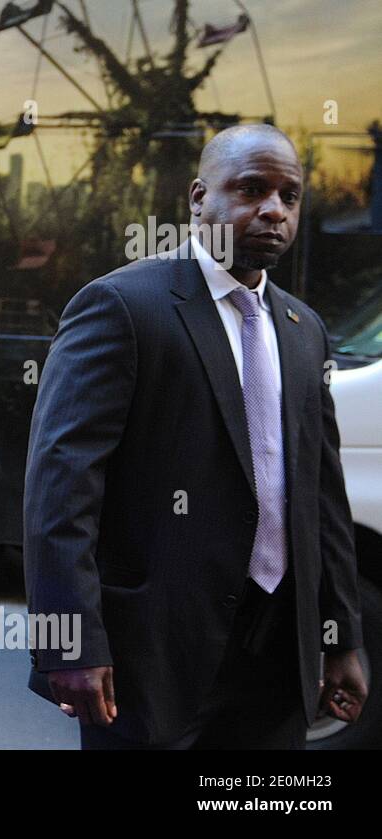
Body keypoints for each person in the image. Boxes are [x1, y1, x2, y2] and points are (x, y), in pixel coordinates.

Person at [24, 124, 368, 749]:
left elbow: (323, 500)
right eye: (251, 189)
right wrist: (65, 641)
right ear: (197, 198)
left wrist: (341, 636)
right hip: (152, 653)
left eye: (289, 197)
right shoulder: (121, 306)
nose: (273, 210)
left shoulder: (303, 329)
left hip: (276, 653)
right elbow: (60, 486)